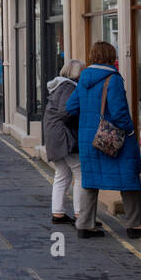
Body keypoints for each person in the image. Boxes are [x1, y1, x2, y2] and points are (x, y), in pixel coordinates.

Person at [66, 42, 141, 239]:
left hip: (89, 138)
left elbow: (71, 107)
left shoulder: (84, 78)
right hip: (113, 136)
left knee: (90, 180)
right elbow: (119, 112)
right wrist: (131, 131)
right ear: (111, 56)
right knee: (129, 177)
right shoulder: (112, 79)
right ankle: (136, 223)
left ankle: (85, 225)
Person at [44, 59, 83, 225]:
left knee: (62, 174)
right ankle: (81, 215)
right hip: (64, 137)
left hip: (54, 136)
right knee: (81, 173)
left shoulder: (60, 86)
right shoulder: (68, 87)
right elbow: (66, 112)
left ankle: (58, 213)